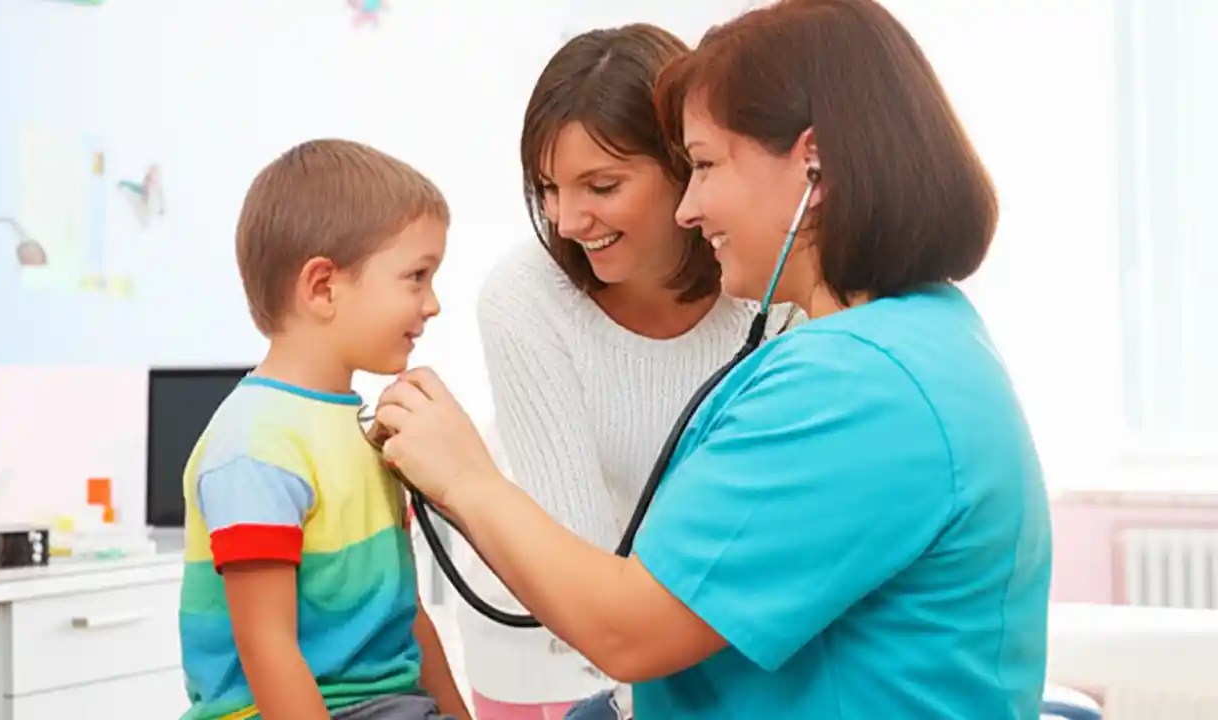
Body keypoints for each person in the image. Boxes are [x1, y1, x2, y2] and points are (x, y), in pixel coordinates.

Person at [371, 1, 1052, 718]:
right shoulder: (916, 338)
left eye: (702, 166)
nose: (689, 209)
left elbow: (626, 632)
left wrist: (466, 478)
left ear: (813, 167)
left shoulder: (853, 387)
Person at [466, 23, 794, 720]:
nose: (568, 218)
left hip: (687, 642)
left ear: (688, 166)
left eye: (602, 185)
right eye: (549, 187)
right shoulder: (524, 298)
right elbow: (586, 560)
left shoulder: (775, 294)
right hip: (562, 644)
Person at [177, 139, 470, 720]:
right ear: (322, 288)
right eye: (416, 277)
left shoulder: (362, 431)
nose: (432, 303)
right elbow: (268, 645)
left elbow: (405, 617)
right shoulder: (257, 445)